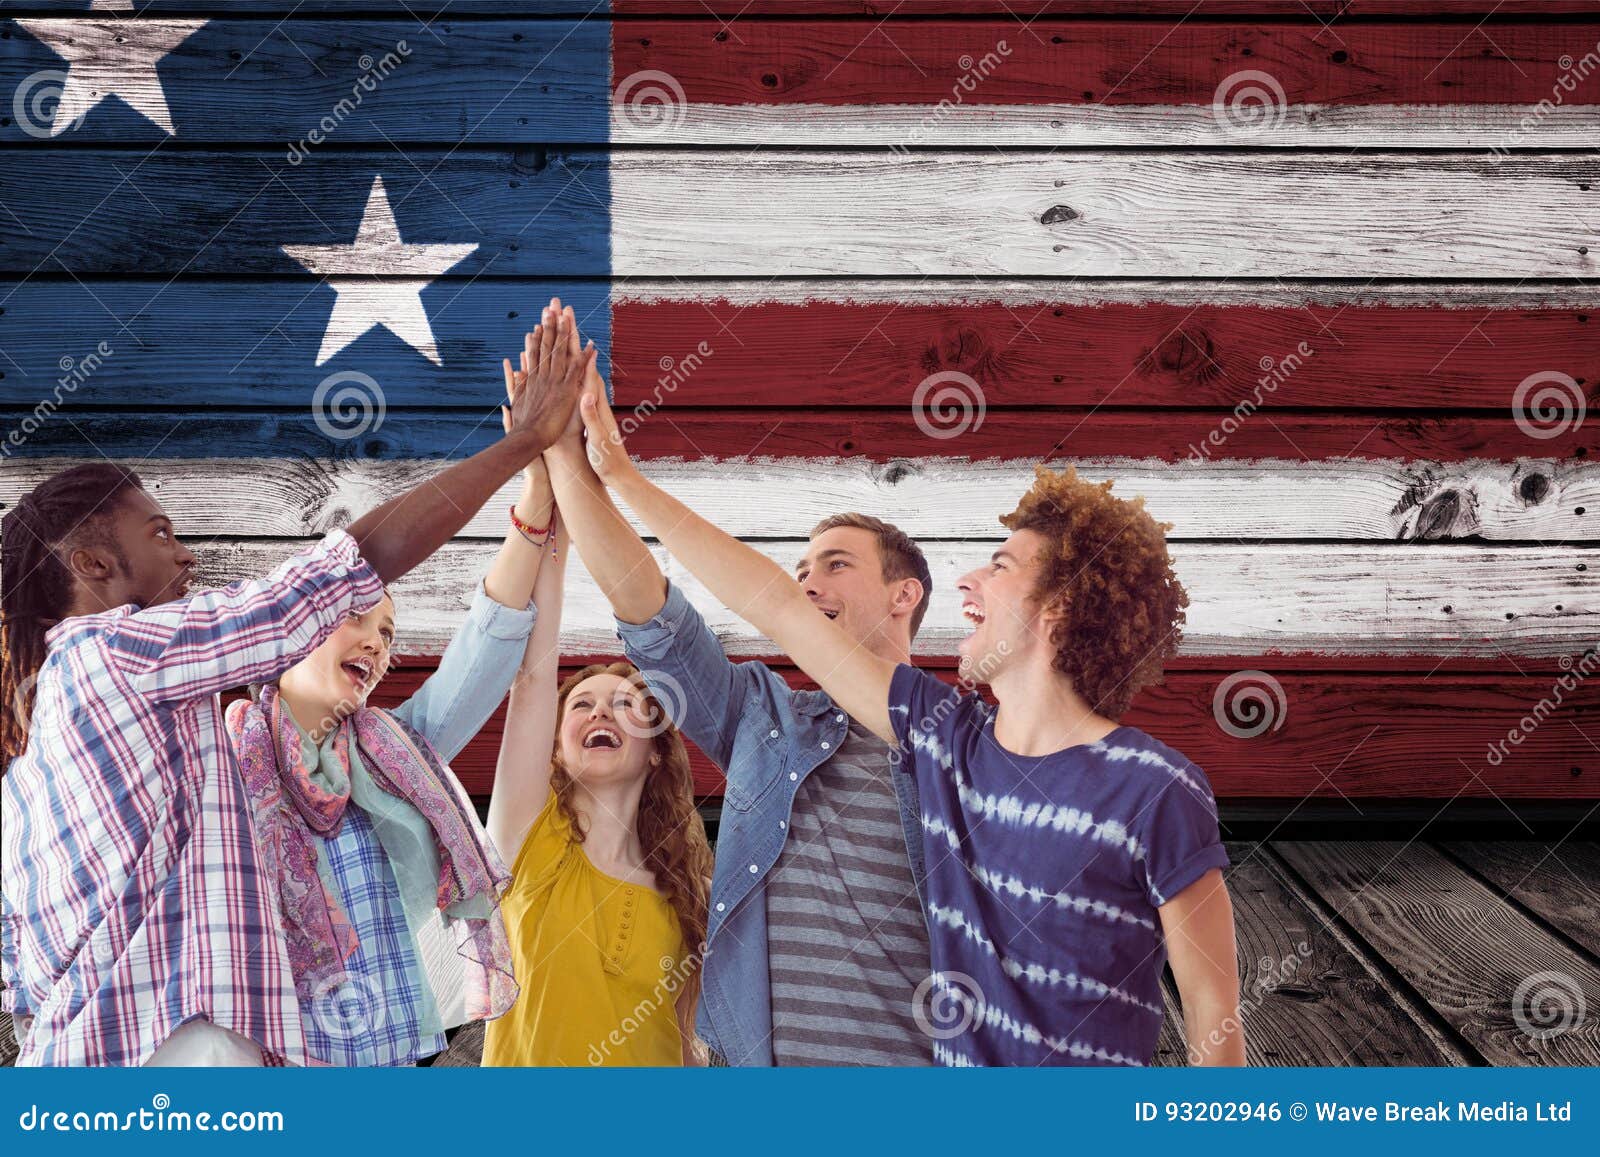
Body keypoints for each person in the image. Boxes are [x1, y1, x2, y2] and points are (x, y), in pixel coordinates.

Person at [574, 372, 1246, 1067]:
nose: (969, 583)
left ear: (1059, 606)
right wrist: (606, 471)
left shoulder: (1129, 782)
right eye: (802, 568)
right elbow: (752, 604)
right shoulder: (930, 740)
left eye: (1000, 566)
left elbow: (1214, 1015)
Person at [0, 315, 594, 1066]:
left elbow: (18, 971)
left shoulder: (41, 748)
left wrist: (539, 503)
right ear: (90, 564)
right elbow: (343, 568)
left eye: (388, 630)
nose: (186, 553)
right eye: (159, 533)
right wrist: (518, 443)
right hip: (174, 1055)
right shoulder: (119, 655)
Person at [537, 300, 935, 1067]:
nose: (807, 580)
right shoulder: (765, 716)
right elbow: (647, 608)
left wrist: (623, 472)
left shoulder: (965, 740)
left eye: (836, 563)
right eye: (801, 568)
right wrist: (560, 450)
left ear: (903, 593)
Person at [220, 327, 574, 1067]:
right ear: (294, 623)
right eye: (357, 618)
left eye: (389, 633)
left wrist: (538, 490)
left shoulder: (395, 752)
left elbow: (488, 640)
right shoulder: (218, 762)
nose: (378, 645)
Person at [480, 305, 712, 1067]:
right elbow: (532, 669)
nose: (601, 709)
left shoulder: (687, 895)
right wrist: (545, 470)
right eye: (583, 706)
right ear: (556, 744)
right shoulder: (526, 837)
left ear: (655, 751)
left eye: (625, 704)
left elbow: (692, 1049)